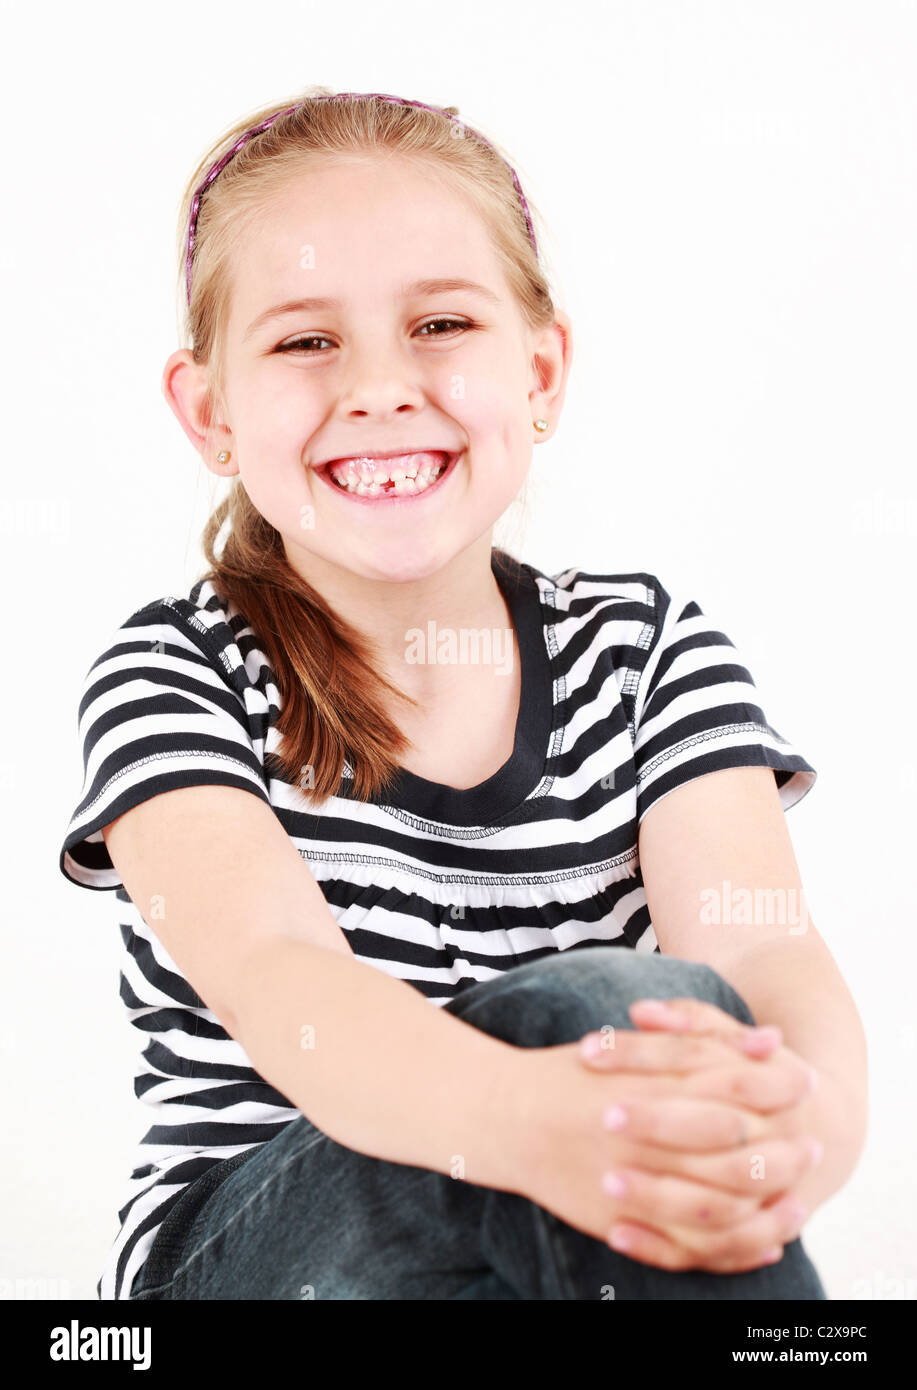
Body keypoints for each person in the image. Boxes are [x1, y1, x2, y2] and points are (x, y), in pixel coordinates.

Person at [59, 87, 867, 1301]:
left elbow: (761, 949)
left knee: (664, 1042)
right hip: (265, 1251)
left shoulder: (647, 651)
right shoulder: (175, 674)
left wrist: (791, 1135)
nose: (381, 386)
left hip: (576, 1230)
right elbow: (287, 982)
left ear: (540, 371)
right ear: (211, 411)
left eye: (440, 322)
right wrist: (544, 1119)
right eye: (304, 340)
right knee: (614, 1014)